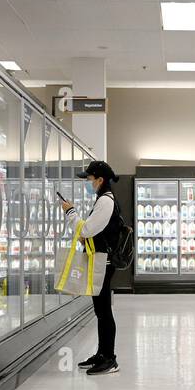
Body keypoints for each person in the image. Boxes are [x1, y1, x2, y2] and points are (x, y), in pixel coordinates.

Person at [61, 159, 123, 376]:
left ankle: (110, 358)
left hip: (103, 262)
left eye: (89, 179)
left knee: (104, 310)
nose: (87, 183)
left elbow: (86, 229)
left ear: (100, 179)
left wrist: (71, 213)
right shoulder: (102, 199)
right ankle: (102, 353)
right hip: (99, 259)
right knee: (100, 310)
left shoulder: (106, 201)